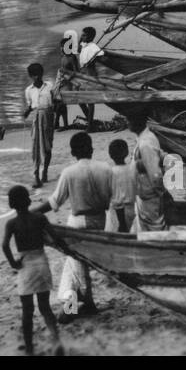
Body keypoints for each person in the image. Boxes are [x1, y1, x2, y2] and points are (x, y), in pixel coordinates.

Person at [31, 132, 112, 321]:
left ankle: (72, 307)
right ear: (91, 148)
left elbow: (54, 202)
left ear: (73, 152)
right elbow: (112, 200)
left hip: (78, 223)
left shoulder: (69, 172)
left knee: (74, 264)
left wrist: (33, 213)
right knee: (76, 263)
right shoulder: (105, 169)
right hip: (100, 221)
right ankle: (87, 303)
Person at [1, 185, 64, 356]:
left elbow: (5, 245)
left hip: (26, 265)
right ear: (28, 200)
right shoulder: (40, 218)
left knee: (27, 310)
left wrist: (13, 263)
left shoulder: (12, 223)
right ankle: (56, 340)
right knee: (45, 307)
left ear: (11, 204)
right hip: (42, 263)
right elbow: (56, 238)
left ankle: (29, 349)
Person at [128, 111, 171, 231]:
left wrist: (161, 192)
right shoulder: (145, 138)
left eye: (130, 120)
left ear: (137, 123)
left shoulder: (145, 143)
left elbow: (155, 173)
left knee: (153, 227)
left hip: (150, 194)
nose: (128, 124)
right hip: (145, 192)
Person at [23, 63, 56, 187]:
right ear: (32, 76)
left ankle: (45, 171)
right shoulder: (29, 90)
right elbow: (31, 105)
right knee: (35, 147)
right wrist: (27, 111)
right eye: (34, 76)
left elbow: (55, 101)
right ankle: (36, 175)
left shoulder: (49, 86)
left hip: (48, 117)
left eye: (39, 75)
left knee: (47, 146)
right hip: (36, 118)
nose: (37, 77)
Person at [76, 27, 107, 130]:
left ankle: (90, 125)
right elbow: (77, 49)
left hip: (91, 76)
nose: (82, 36)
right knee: (80, 100)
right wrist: (81, 39)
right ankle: (90, 121)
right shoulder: (84, 46)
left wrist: (96, 57)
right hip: (83, 75)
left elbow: (103, 57)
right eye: (82, 35)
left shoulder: (94, 47)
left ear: (89, 36)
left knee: (90, 101)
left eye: (84, 35)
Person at [106, 139, 137, 233]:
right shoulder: (133, 171)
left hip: (116, 214)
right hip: (132, 210)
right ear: (127, 153)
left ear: (110, 155)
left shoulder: (109, 174)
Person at [53, 32, 78, 131]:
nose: (62, 48)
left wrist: (68, 76)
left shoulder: (72, 58)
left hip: (69, 82)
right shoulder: (63, 57)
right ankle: (61, 123)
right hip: (62, 82)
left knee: (60, 102)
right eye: (62, 46)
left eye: (63, 46)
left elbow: (76, 71)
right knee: (56, 101)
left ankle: (58, 123)